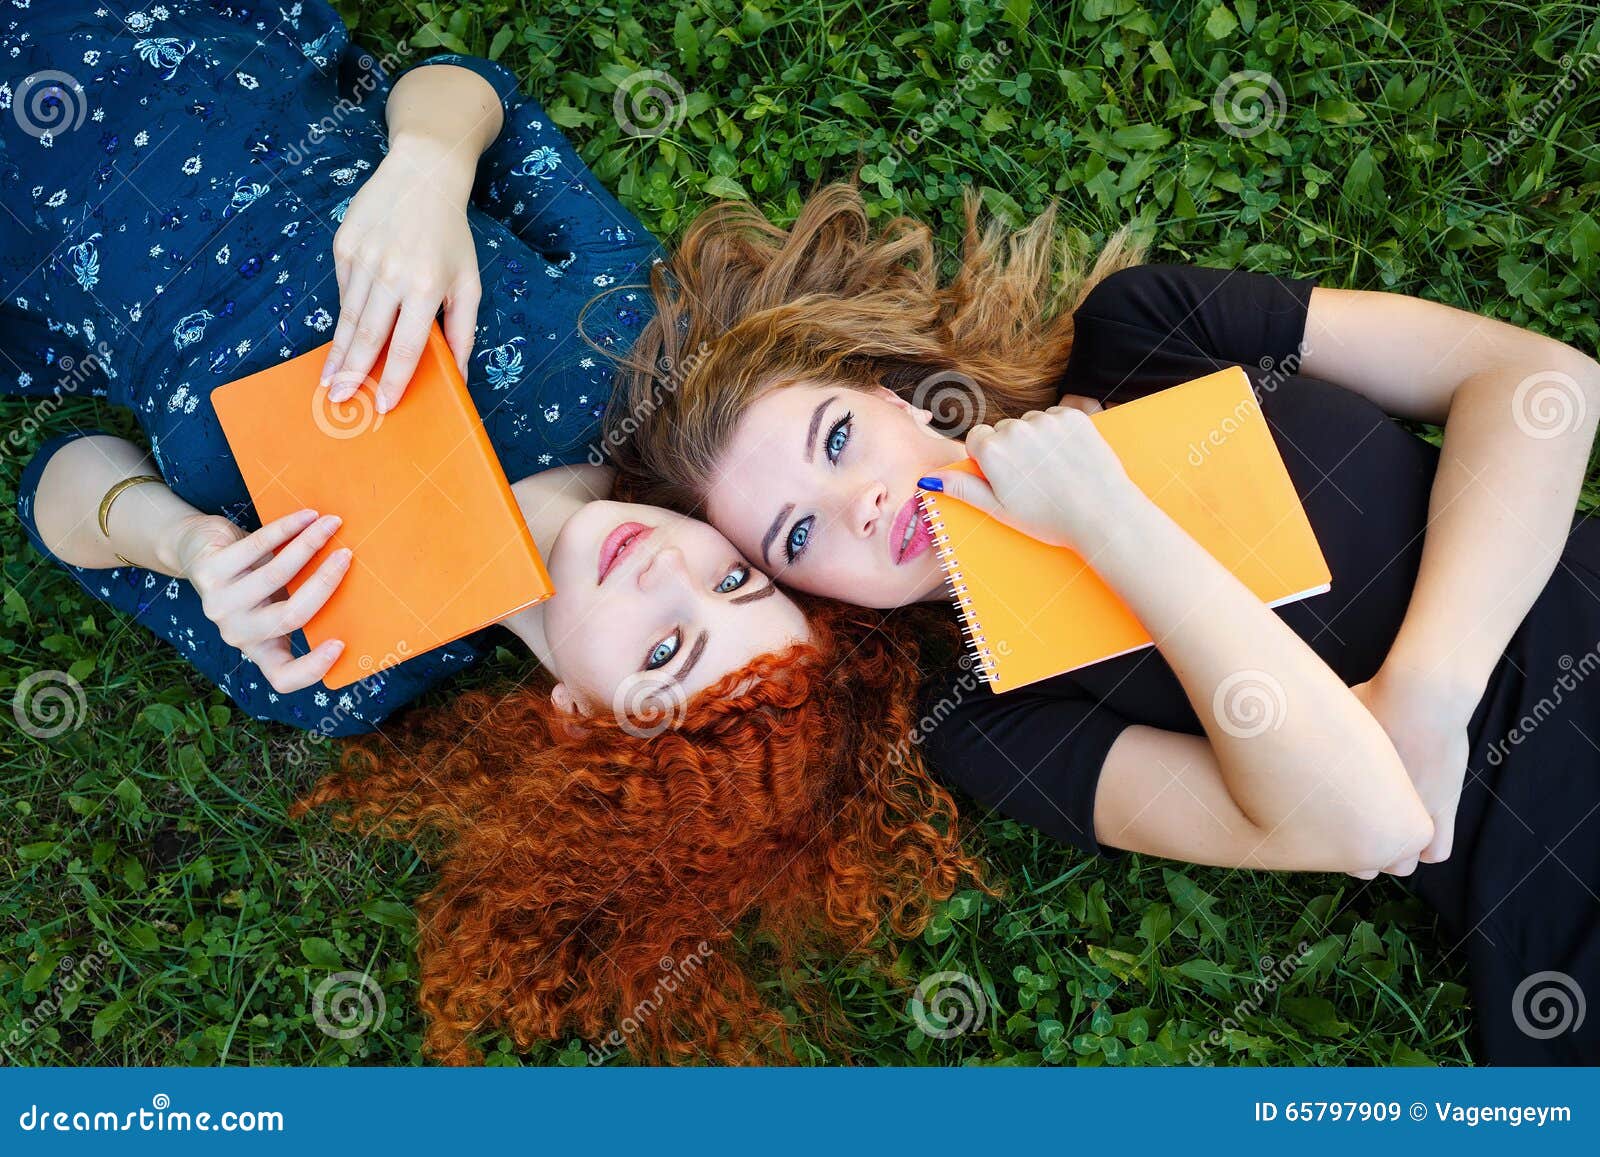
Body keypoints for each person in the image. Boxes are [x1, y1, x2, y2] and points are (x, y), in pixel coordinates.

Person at [610, 182, 1600, 1064]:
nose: (857, 503)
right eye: (797, 535)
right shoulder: (980, 713)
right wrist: (1107, 522)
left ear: (888, 396)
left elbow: (1539, 385)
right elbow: (1365, 819)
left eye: (837, 439)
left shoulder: (1143, 329)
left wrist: (1429, 691)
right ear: (811, 596)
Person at [4, 3, 658, 730]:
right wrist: (426, 172)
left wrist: (179, 544)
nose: (675, 576)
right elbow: (473, 88)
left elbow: (52, 485)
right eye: (737, 577)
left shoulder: (334, 666)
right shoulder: (627, 352)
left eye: (665, 650)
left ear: (583, 717)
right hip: (168, 40)